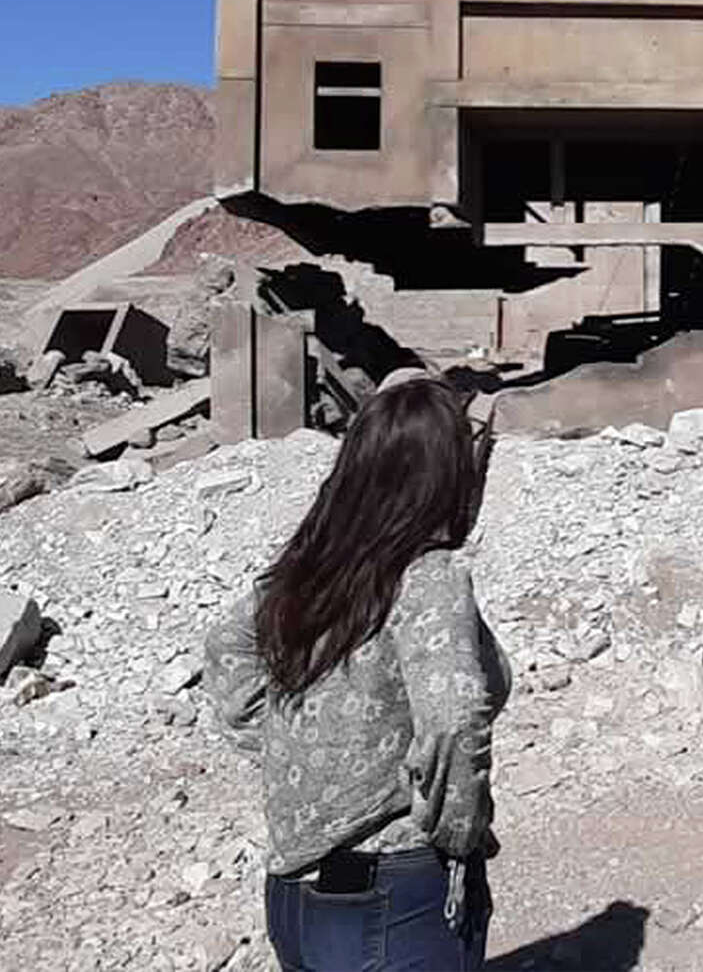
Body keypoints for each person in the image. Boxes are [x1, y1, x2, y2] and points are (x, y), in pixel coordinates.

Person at [204, 373, 511, 972]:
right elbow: (455, 714)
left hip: (296, 897)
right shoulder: (428, 574)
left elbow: (226, 649)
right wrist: (455, 834)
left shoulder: (314, 562)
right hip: (393, 895)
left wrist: (290, 752)